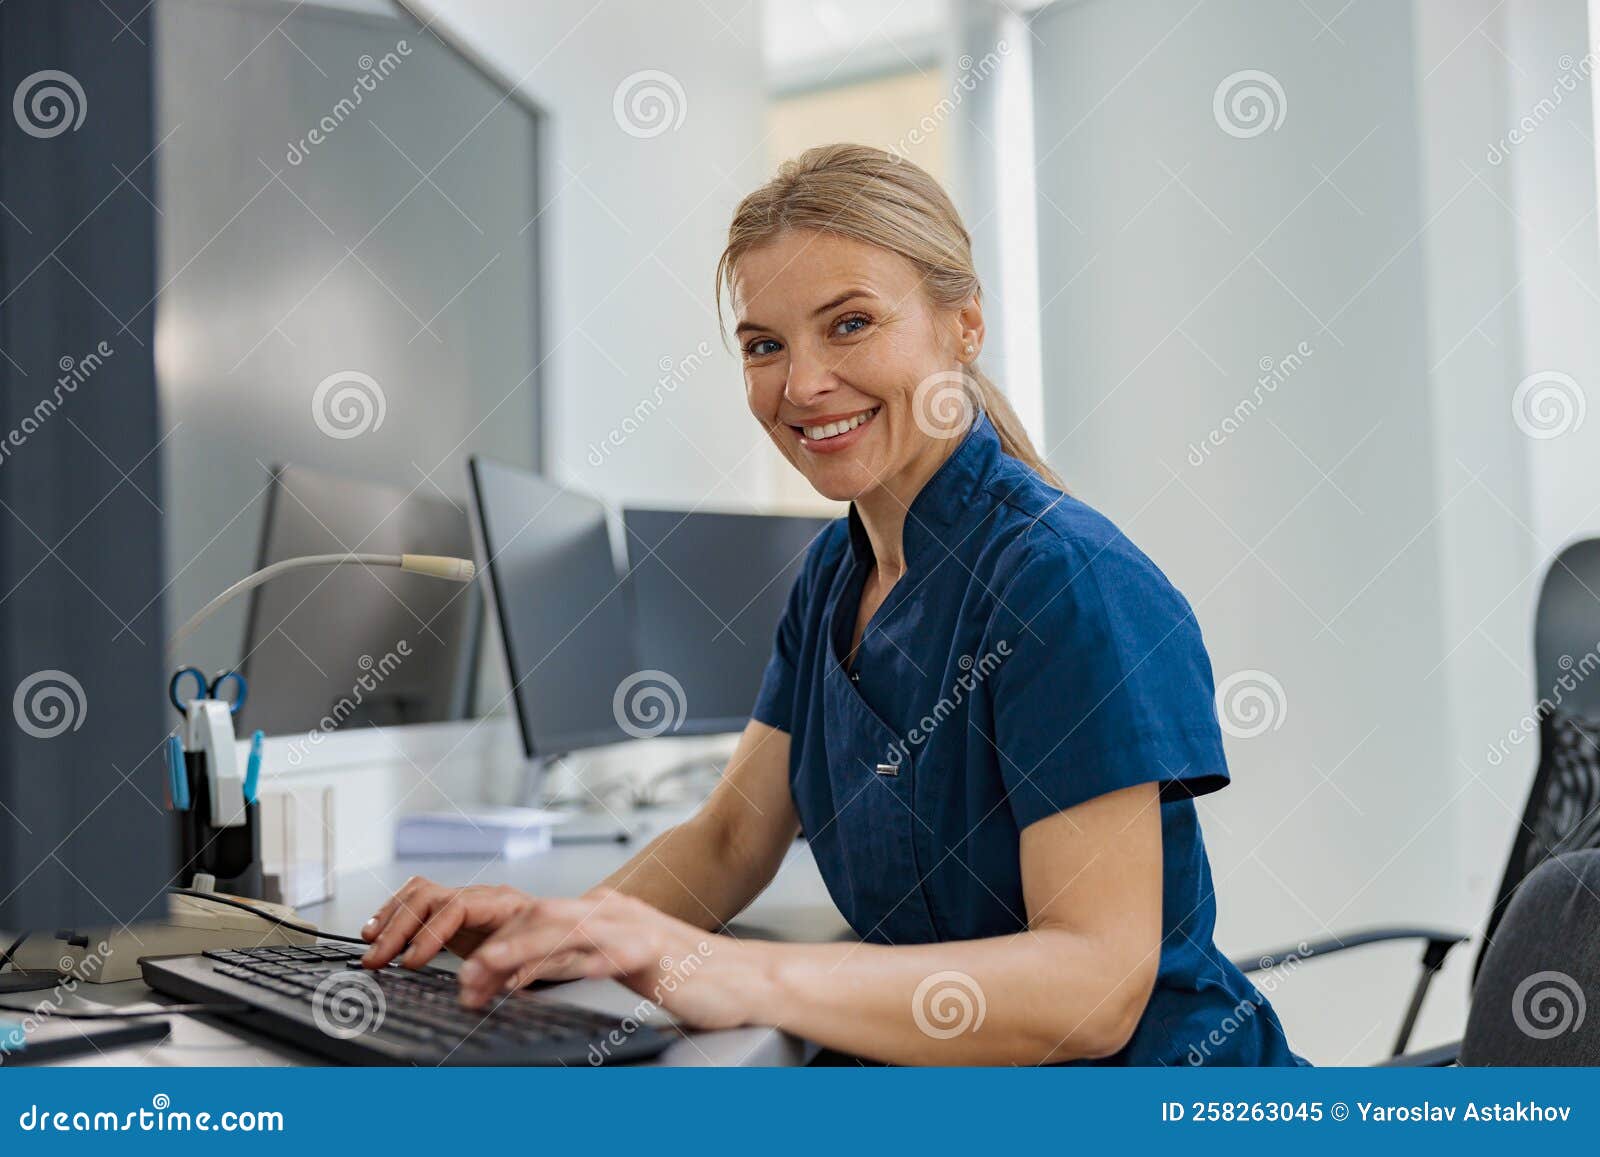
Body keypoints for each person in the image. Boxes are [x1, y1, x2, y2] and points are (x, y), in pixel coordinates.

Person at [361, 143, 1305, 1067]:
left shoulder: (1066, 582)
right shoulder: (831, 575)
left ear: (963, 325)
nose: (803, 385)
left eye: (850, 324)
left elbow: (1093, 990)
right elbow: (732, 835)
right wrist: (559, 928)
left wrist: (731, 972)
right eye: (764, 345)